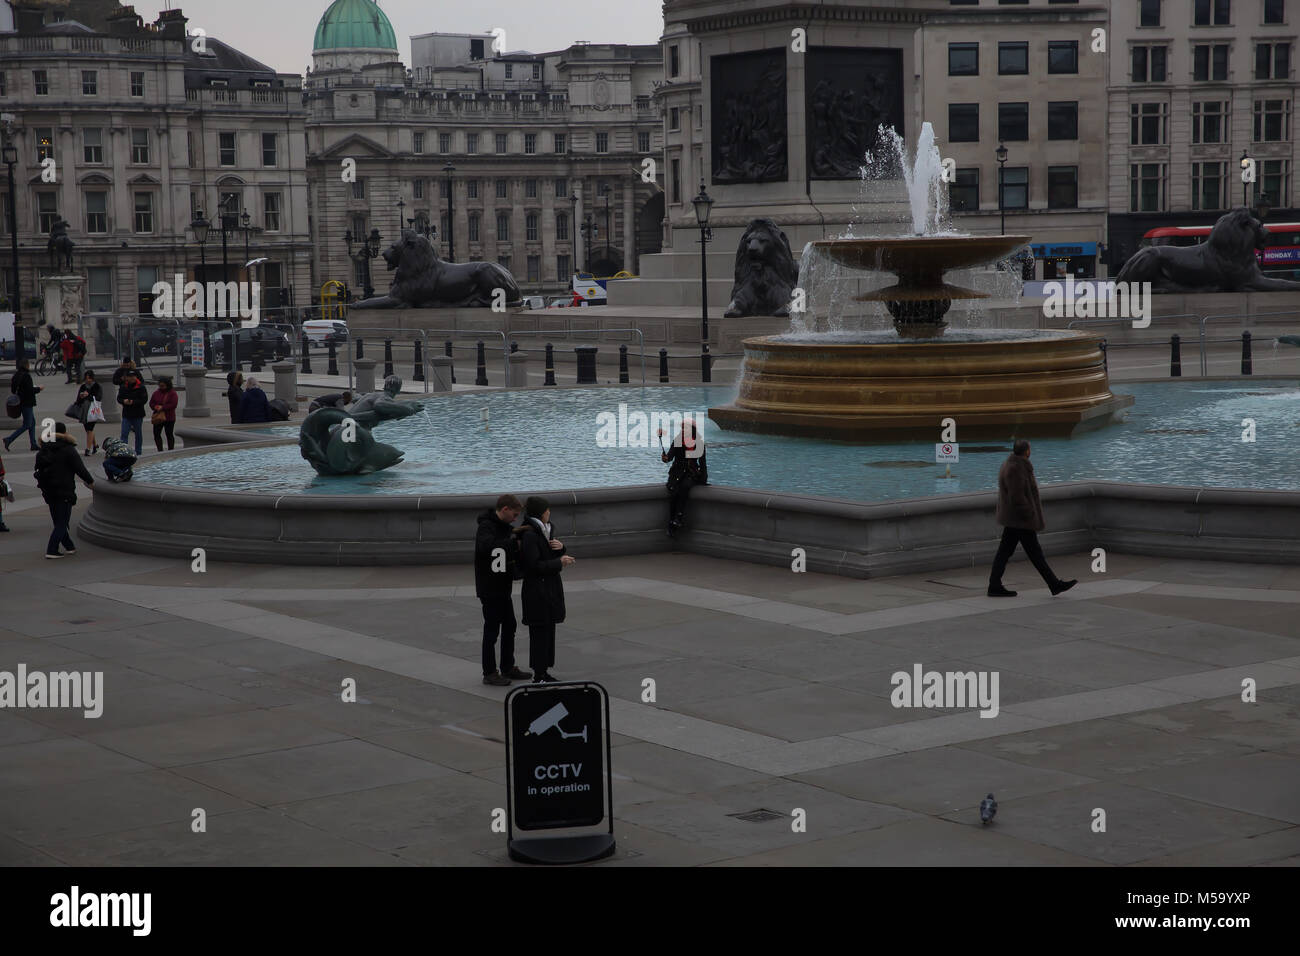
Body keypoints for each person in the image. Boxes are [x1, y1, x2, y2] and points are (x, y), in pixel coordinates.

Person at [988, 439, 1078, 598]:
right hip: (1020, 520)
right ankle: (1054, 584)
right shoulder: (1017, 468)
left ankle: (994, 585)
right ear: (1027, 451)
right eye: (1030, 448)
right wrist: (1029, 514)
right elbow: (1017, 497)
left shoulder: (1011, 464)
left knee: (1007, 552)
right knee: (1034, 553)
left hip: (1013, 519)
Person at [515, 496, 575, 683]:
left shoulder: (545, 531)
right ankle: (539, 674)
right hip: (537, 591)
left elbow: (546, 556)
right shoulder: (531, 535)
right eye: (547, 509)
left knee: (548, 631)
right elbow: (533, 566)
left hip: (548, 589)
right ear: (542, 512)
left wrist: (561, 549)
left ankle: (543, 671)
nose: (550, 512)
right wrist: (559, 562)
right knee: (540, 633)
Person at [475, 493, 532, 686]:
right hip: (490, 588)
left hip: (503, 587)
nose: (515, 519)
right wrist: (512, 541)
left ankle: (508, 666)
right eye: (514, 515)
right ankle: (489, 672)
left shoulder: (504, 528)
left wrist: (517, 533)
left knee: (510, 626)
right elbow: (488, 547)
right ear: (505, 509)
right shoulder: (486, 527)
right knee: (491, 630)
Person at [33, 421, 94, 559]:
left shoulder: (43, 449)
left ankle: (69, 546)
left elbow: (38, 468)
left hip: (48, 489)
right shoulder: (68, 449)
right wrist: (90, 482)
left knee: (57, 519)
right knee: (62, 521)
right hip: (64, 489)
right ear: (65, 433)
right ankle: (52, 549)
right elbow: (80, 469)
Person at [660, 417, 708, 536]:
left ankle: (678, 518)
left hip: (690, 473)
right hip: (676, 472)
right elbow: (669, 457)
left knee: (684, 487)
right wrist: (665, 458)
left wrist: (703, 479)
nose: (682, 430)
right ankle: (672, 521)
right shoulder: (677, 441)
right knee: (673, 492)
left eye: (685, 428)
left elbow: (702, 463)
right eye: (682, 428)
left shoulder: (699, 443)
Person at [4, 358, 42, 452]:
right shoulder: (26, 376)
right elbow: (29, 391)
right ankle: (9, 439)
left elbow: (13, 390)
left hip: (20, 401)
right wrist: (38, 389)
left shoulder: (16, 375)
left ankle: (33, 444)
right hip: (27, 402)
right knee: (27, 424)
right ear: (27, 365)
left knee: (32, 423)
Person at [117, 368, 148, 456]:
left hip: (138, 414)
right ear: (127, 378)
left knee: (138, 434)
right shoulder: (123, 387)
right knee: (124, 433)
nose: (132, 378)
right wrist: (124, 401)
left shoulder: (141, 387)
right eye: (130, 376)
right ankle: (124, 451)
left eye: (133, 376)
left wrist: (133, 402)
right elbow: (119, 398)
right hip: (126, 414)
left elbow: (144, 399)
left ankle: (138, 452)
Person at [76, 370, 103, 456]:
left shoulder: (97, 386)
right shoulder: (83, 386)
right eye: (86, 378)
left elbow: (98, 398)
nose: (87, 380)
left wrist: (88, 395)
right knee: (88, 430)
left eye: (89, 378)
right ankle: (95, 445)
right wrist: (81, 396)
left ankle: (88, 449)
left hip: (92, 410)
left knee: (89, 429)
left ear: (92, 378)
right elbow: (78, 399)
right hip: (84, 410)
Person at [149, 375, 179, 451]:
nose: (161, 387)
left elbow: (173, 404)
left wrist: (163, 407)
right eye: (160, 385)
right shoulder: (156, 393)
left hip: (169, 417)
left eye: (163, 386)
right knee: (156, 434)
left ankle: (171, 450)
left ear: (168, 385)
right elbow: (151, 403)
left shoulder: (172, 393)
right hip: (158, 417)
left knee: (169, 434)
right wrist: (155, 407)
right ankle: (160, 450)